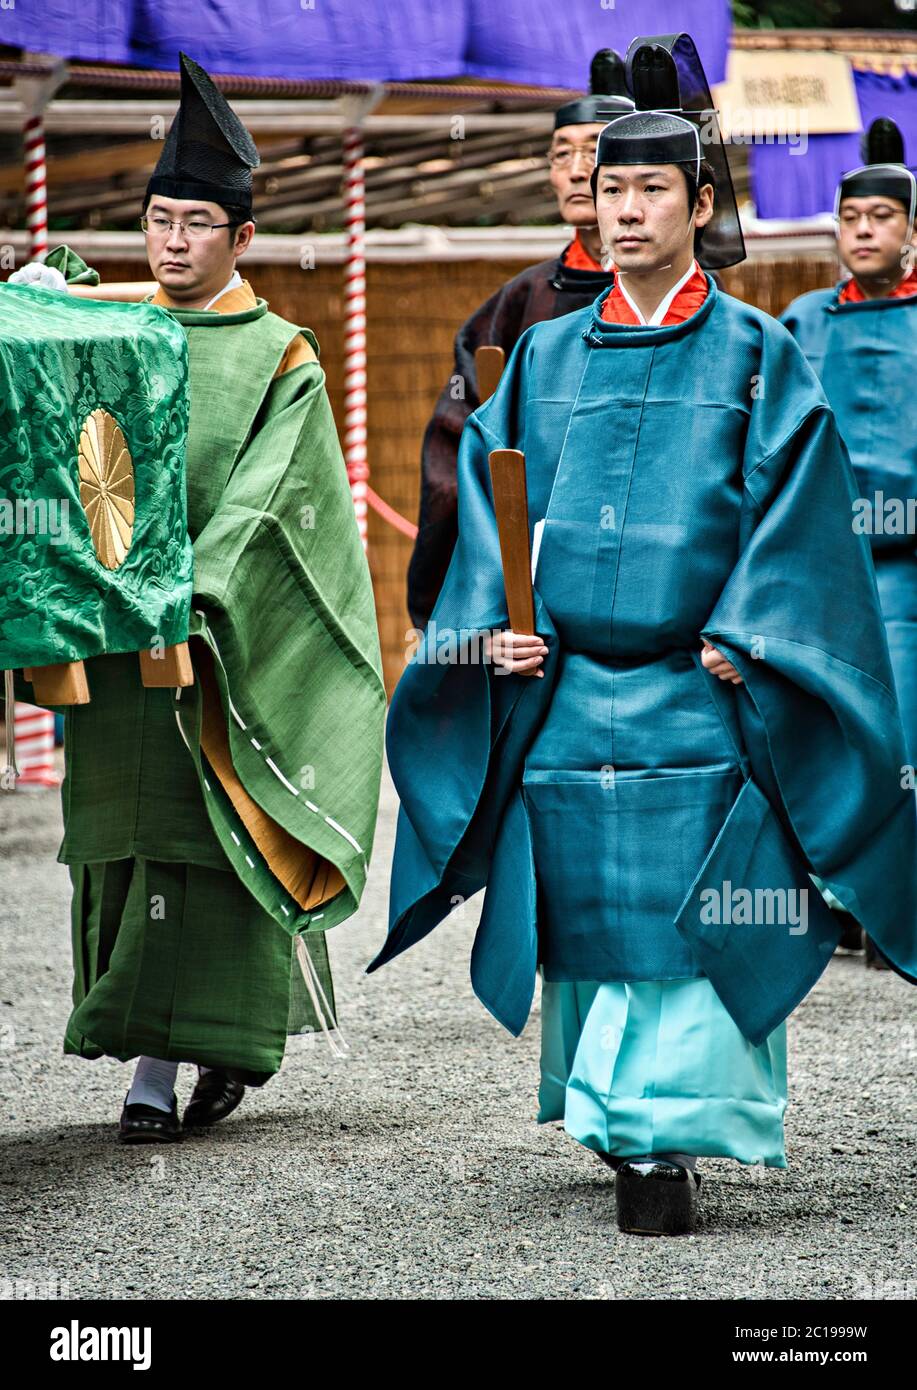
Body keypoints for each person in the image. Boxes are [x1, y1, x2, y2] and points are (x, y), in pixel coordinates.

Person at [369, 35, 917, 1235]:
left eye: (649, 189)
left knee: (693, 907)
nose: (622, 210)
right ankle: (619, 1126)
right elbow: (488, 507)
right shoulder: (544, 357)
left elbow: (798, 515)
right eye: (608, 188)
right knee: (592, 925)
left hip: (698, 684)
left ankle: (667, 1136)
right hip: (566, 687)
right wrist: (489, 635)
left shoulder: (756, 352)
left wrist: (753, 631)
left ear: (697, 205)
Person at [14, 53, 386, 1143]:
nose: (172, 241)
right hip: (113, 643)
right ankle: (193, 1043)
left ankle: (157, 1068)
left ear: (241, 238)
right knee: (124, 841)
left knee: (203, 839)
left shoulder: (282, 357)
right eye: (158, 218)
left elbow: (278, 506)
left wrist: (195, 590)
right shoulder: (113, 335)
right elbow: (76, 466)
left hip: (207, 640)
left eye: (195, 222)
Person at [407, 50, 633, 630]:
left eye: (597, 151)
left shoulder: (695, 306)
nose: (580, 170)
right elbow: (457, 447)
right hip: (534, 584)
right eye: (564, 154)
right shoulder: (517, 304)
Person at [781, 119, 917, 964]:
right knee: (820, 730)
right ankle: (831, 901)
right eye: (850, 218)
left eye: (881, 217)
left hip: (908, 576)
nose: (862, 231)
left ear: (911, 231)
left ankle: (894, 907)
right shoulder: (800, 321)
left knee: (900, 735)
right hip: (822, 572)